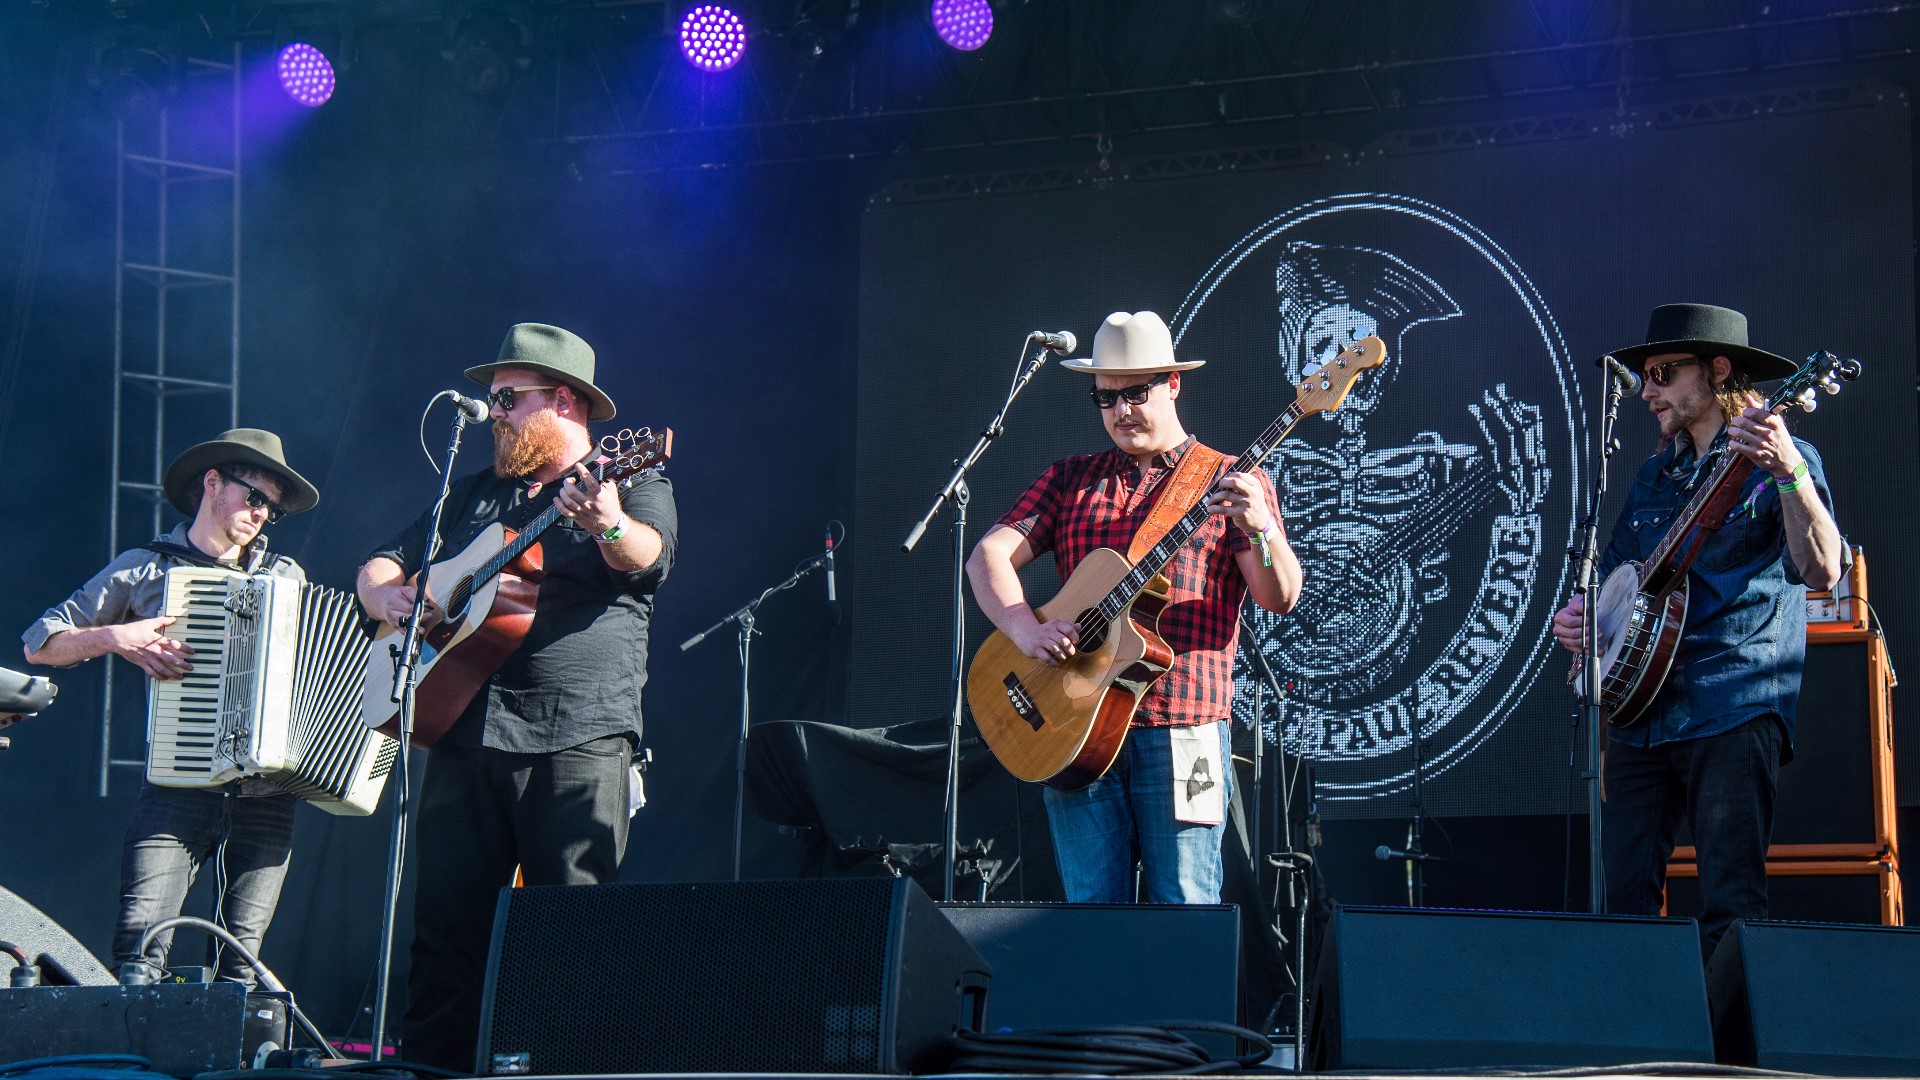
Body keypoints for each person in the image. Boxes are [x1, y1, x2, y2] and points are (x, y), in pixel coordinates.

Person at [356, 322, 676, 1069]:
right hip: (464, 729)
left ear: (564, 400)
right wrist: (390, 602)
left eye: (507, 397)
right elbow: (381, 561)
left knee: (567, 933)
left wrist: (610, 523)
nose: (492, 411)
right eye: (489, 398)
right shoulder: (472, 495)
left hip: (576, 732)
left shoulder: (629, 475)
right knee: (445, 931)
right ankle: (431, 1067)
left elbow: (650, 559)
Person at [966, 310, 1302, 903]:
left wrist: (1259, 528)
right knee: (1093, 916)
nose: (1120, 411)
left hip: (1184, 726)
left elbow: (1280, 597)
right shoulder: (1071, 478)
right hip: (1073, 728)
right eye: (1105, 397)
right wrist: (1023, 629)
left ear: (1173, 384)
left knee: (1186, 905)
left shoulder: (1229, 479)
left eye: (1135, 393)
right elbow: (987, 557)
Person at [1551, 303, 1847, 955]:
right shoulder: (1656, 475)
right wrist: (1584, 622)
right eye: (1645, 375)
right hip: (1639, 713)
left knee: (1730, 905)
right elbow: (1623, 582)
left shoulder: (1789, 458)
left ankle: (1733, 1056)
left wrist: (1788, 471)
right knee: (1622, 901)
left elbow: (1822, 569)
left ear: (1715, 371)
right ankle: (1635, 1048)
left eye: (1661, 372)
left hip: (1732, 703)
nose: (1647, 390)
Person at [22, 428, 320, 984]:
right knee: (138, 951)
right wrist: (117, 639)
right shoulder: (145, 567)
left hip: (268, 794)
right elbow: (40, 643)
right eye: (255, 496)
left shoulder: (286, 579)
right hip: (177, 784)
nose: (261, 514)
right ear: (213, 482)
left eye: (272, 510)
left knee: (242, 965)